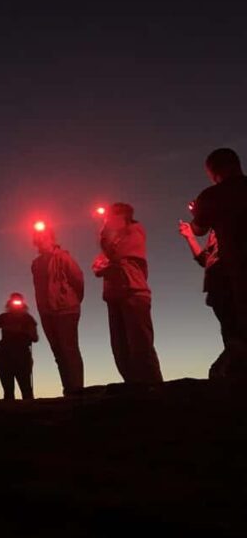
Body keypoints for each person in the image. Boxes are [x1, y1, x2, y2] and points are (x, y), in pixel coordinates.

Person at [189, 148, 247, 382]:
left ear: (212, 172)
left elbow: (199, 228)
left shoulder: (212, 196)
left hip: (229, 272)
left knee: (234, 331)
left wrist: (195, 214)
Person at [92, 203, 163, 387]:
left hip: (134, 293)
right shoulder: (113, 240)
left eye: (109, 216)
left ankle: (155, 389)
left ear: (121, 215)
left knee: (140, 346)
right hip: (114, 295)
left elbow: (116, 259)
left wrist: (105, 263)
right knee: (120, 348)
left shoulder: (134, 231)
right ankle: (135, 388)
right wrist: (103, 264)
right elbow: (101, 263)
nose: (105, 219)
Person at [31, 226, 85, 396]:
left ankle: (77, 389)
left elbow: (78, 279)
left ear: (52, 238)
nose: (41, 240)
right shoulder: (36, 263)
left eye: (44, 237)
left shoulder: (63, 257)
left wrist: (70, 300)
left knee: (69, 350)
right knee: (59, 353)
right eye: (39, 237)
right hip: (47, 313)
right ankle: (69, 389)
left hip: (66, 310)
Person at [177, 223, 235, 379]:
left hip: (231, 283)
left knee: (236, 334)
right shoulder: (215, 229)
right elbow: (206, 259)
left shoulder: (232, 222)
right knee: (229, 333)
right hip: (218, 286)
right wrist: (190, 236)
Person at [0, 293, 39, 400]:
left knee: (26, 389)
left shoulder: (28, 319)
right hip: (6, 356)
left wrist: (25, 331)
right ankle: (11, 413)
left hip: (22, 357)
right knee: (8, 390)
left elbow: (35, 338)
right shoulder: (3, 317)